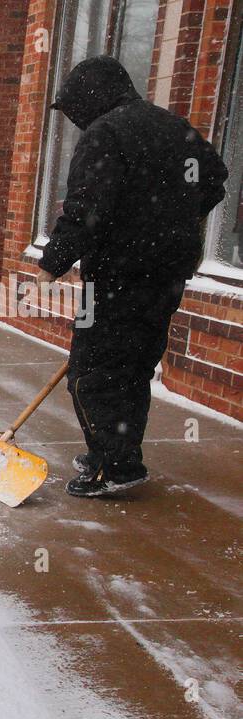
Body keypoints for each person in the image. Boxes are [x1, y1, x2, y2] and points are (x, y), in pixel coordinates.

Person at [38, 56, 227, 498]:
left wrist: (50, 265)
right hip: (166, 276)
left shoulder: (106, 133)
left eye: (74, 110)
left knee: (93, 372)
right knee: (134, 368)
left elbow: (85, 209)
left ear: (90, 98)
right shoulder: (174, 127)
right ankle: (116, 452)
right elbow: (214, 178)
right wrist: (177, 220)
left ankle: (115, 467)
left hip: (117, 275)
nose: (76, 120)